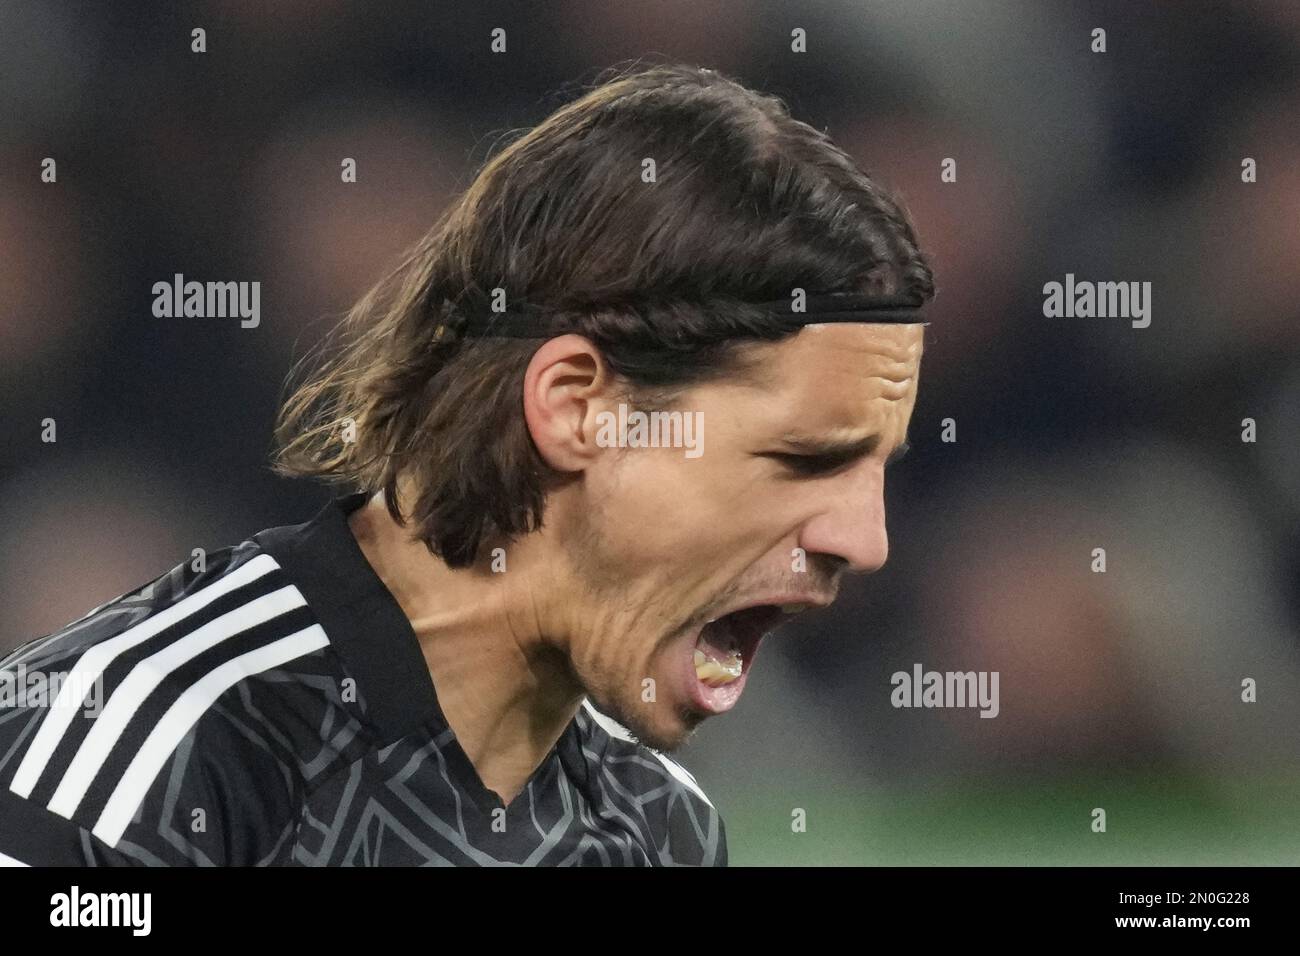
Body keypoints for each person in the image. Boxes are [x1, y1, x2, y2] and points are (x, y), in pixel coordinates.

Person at [0, 62, 932, 866]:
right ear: (576, 406)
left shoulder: (657, 830)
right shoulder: (151, 740)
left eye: (878, 469)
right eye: (805, 460)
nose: (868, 540)